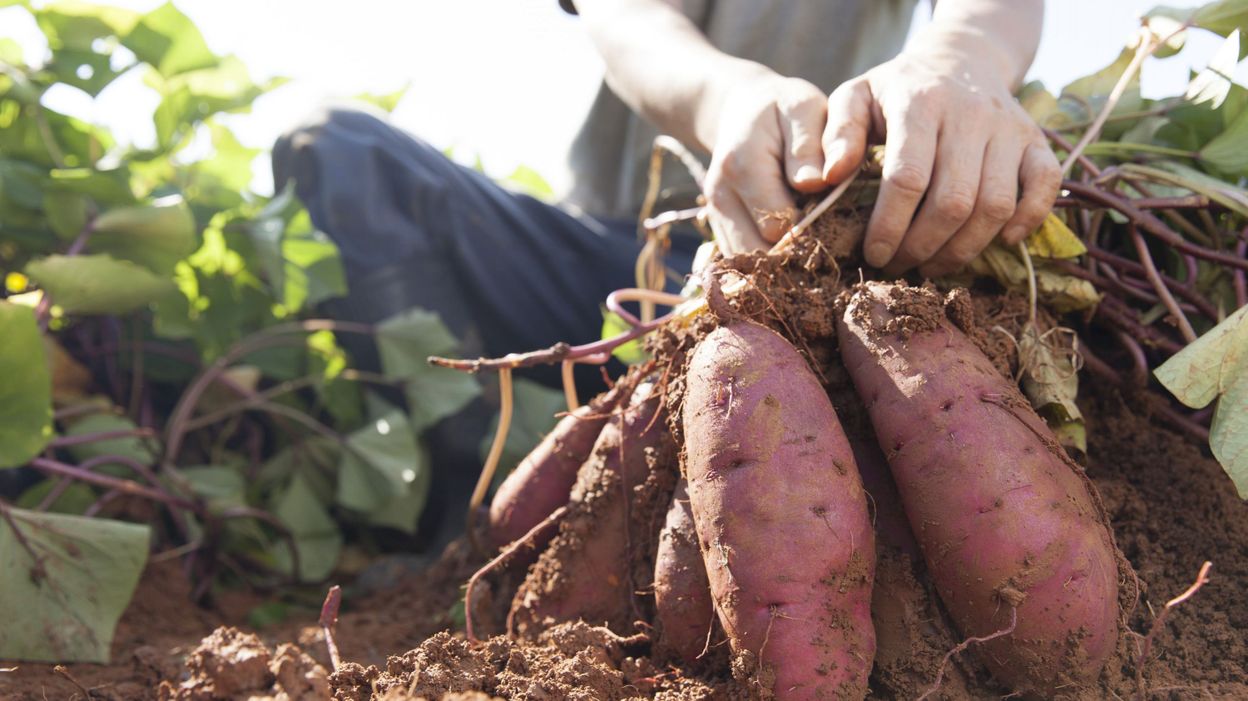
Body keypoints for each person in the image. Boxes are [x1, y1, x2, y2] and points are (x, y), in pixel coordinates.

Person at [272, 0, 1058, 547]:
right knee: (334, 146)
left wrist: (960, 66)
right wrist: (728, 99)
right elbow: (628, 16)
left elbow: (992, 7)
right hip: (619, 261)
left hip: (814, 269)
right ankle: (468, 517)